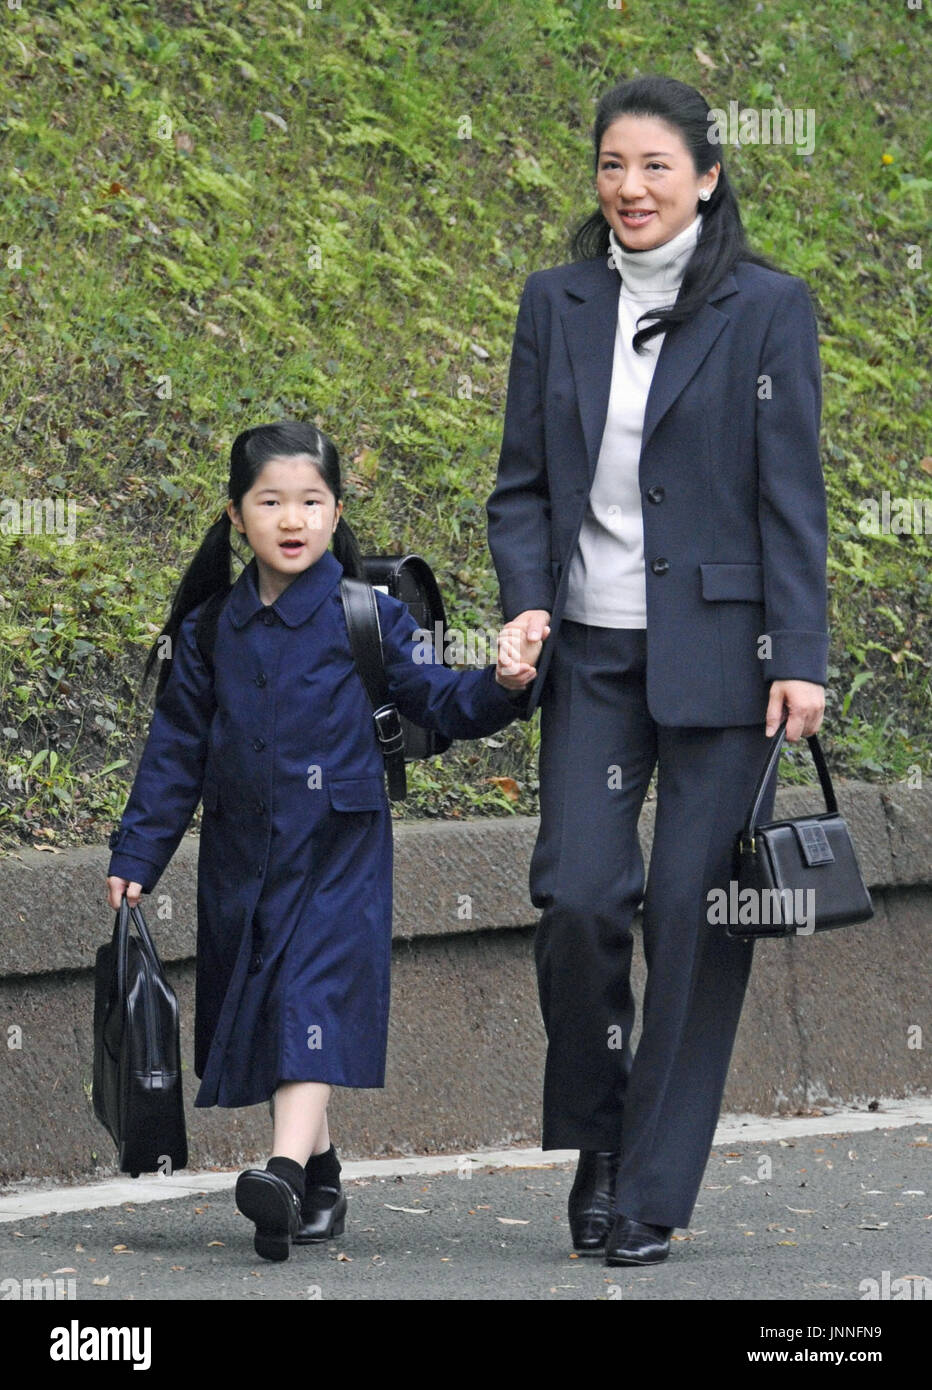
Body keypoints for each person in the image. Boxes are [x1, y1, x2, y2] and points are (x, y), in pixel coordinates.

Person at [486, 75, 828, 1267]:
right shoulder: (556, 301)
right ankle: (598, 1131)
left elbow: (792, 499)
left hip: (727, 663)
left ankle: (648, 1185)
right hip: (588, 653)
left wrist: (801, 658)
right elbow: (521, 483)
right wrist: (525, 600)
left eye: (653, 168)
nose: (628, 189)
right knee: (578, 895)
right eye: (609, 166)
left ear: (706, 176)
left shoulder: (765, 307)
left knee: (694, 917)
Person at [106, 419, 538, 1263]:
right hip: (243, 857)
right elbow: (174, 755)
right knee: (273, 1011)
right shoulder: (209, 631)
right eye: (270, 502)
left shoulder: (365, 615)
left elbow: (439, 703)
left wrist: (502, 681)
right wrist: (136, 856)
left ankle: (277, 1173)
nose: (292, 519)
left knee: (308, 1001)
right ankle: (323, 1174)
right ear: (237, 517)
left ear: (337, 513)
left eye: (310, 501)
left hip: (341, 851)